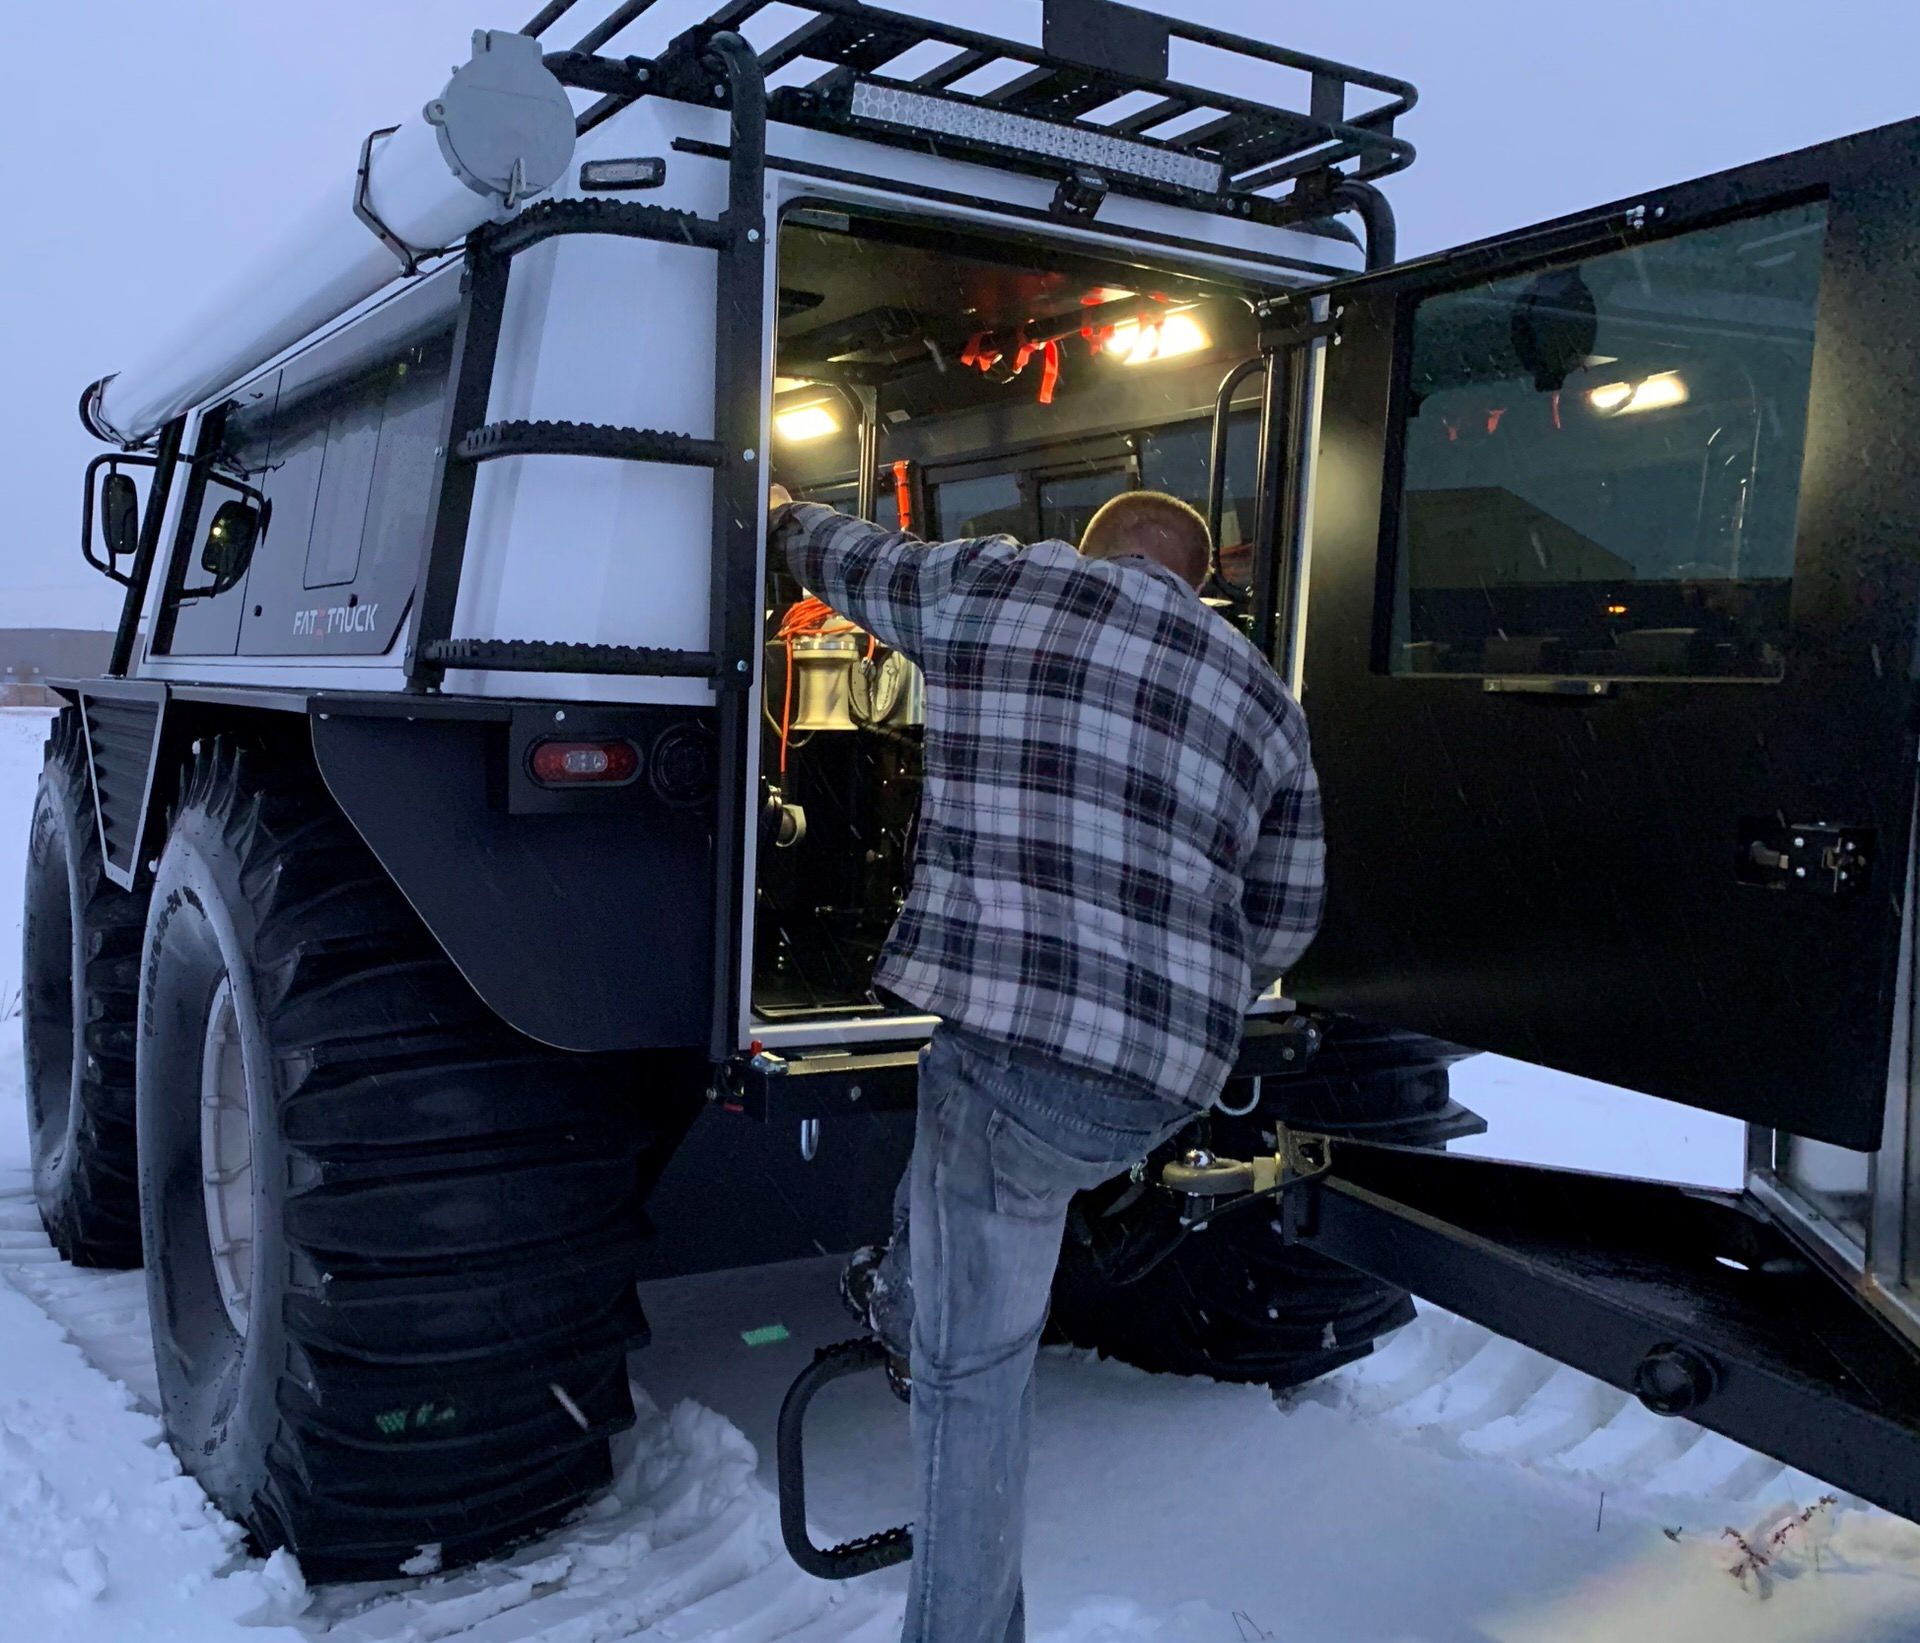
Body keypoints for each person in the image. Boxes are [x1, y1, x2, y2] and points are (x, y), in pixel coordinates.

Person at [766, 484, 1325, 1643]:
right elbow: (1287, 914)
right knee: (993, 1192)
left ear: (1093, 553)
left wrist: (774, 509)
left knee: (975, 1377)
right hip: (1158, 1082)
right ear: (1197, 579)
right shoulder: (1264, 693)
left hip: (1017, 1060)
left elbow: (847, 557)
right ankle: (913, 1277)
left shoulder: (1006, 586)